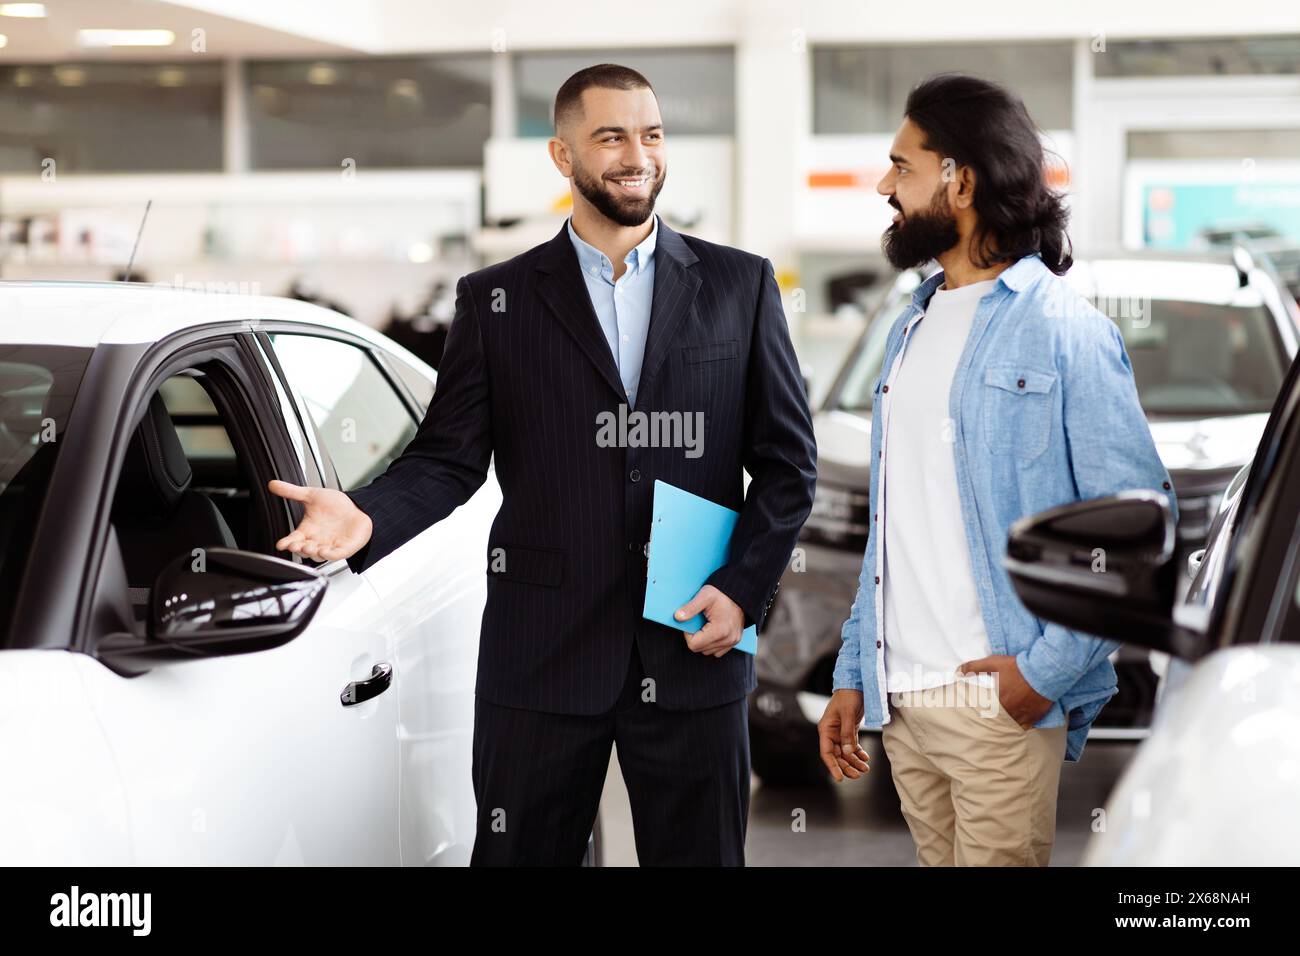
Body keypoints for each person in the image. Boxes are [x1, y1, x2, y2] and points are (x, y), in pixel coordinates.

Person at [268, 63, 816, 866]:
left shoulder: (741, 284)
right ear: (563, 156)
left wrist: (742, 588)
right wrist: (368, 515)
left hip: (694, 640)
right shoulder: (497, 300)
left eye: (652, 135)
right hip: (541, 656)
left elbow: (788, 464)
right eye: (612, 137)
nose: (638, 156)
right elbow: (449, 460)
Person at [817, 73, 1176, 867]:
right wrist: (854, 671)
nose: (885, 187)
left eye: (902, 166)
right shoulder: (908, 329)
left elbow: (1138, 530)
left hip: (997, 703)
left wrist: (1043, 675)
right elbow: (895, 528)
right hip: (902, 702)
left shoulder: (1064, 331)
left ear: (962, 181)